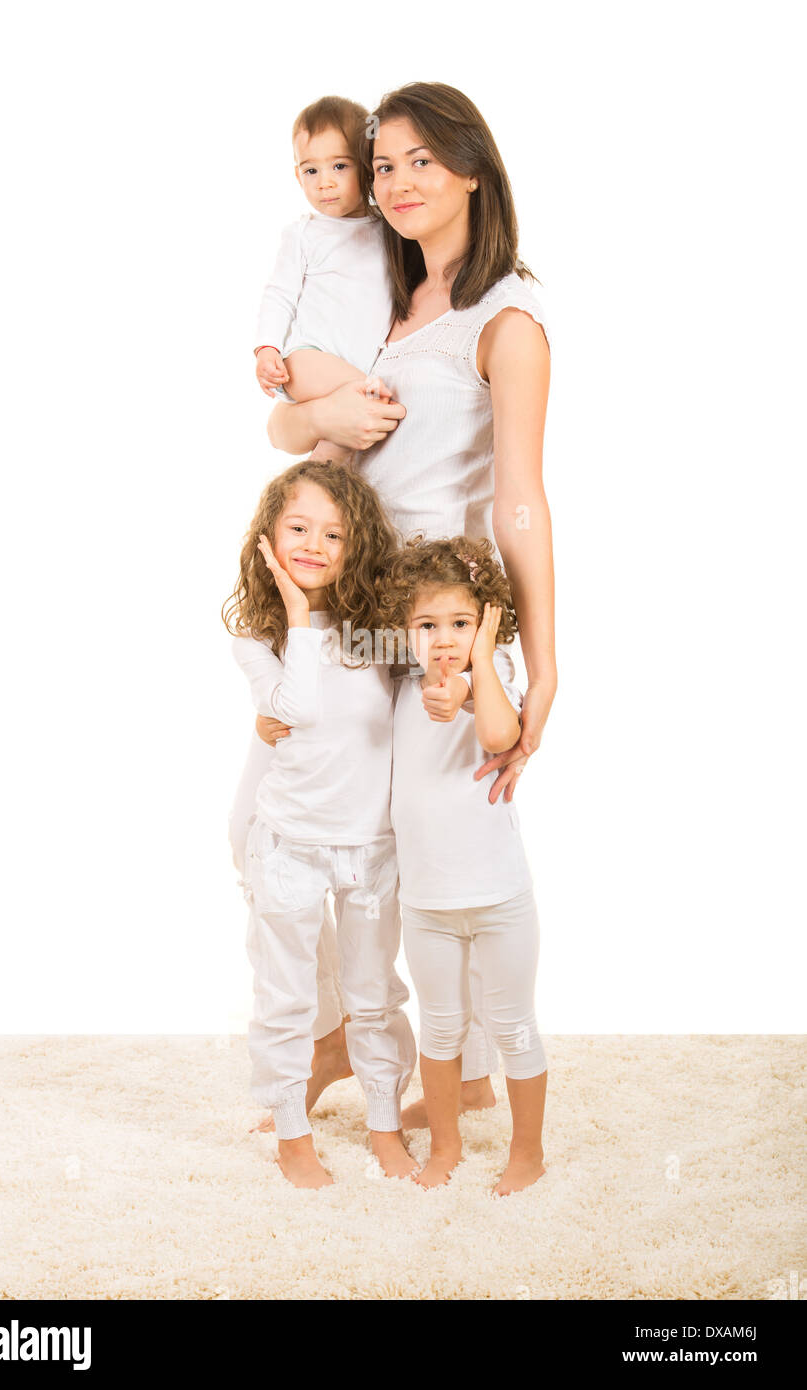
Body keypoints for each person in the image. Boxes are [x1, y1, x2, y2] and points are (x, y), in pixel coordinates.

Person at [264, 81, 556, 1131]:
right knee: (294, 825)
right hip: (351, 610)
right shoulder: (386, 305)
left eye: (419, 160)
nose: (393, 181)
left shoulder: (506, 317)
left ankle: (440, 1057)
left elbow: (519, 498)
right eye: (381, 163)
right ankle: (368, 1032)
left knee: (424, 846)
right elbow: (289, 430)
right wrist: (318, 409)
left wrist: (541, 665)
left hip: (435, 620)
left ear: (474, 168)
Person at [223, 459, 417, 1188]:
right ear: (269, 537)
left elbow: (440, 664)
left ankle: (384, 1122)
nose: (314, 544)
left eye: (333, 534)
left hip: (369, 849)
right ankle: (293, 1139)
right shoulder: (260, 639)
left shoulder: (373, 638)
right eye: (298, 528)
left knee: (374, 994)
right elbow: (295, 710)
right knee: (286, 995)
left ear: (356, 545)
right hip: (288, 846)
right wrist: (299, 620)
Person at [382, 535, 547, 1195]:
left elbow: (500, 736)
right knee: (441, 1025)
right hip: (426, 903)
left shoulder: (493, 677)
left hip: (499, 896)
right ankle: (445, 1145)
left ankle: (527, 1152)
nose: (443, 639)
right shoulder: (399, 686)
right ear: (403, 629)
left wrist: (477, 666)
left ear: (484, 623)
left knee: (510, 1023)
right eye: (427, 625)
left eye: (460, 622)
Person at [253, 94, 392, 464]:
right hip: (306, 361)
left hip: (358, 369)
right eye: (311, 171)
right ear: (297, 176)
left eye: (339, 167)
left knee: (342, 442)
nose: (325, 183)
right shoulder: (304, 235)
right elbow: (279, 295)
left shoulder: (389, 230)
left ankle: (313, 492)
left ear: (366, 167)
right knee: (373, 403)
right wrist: (266, 348)